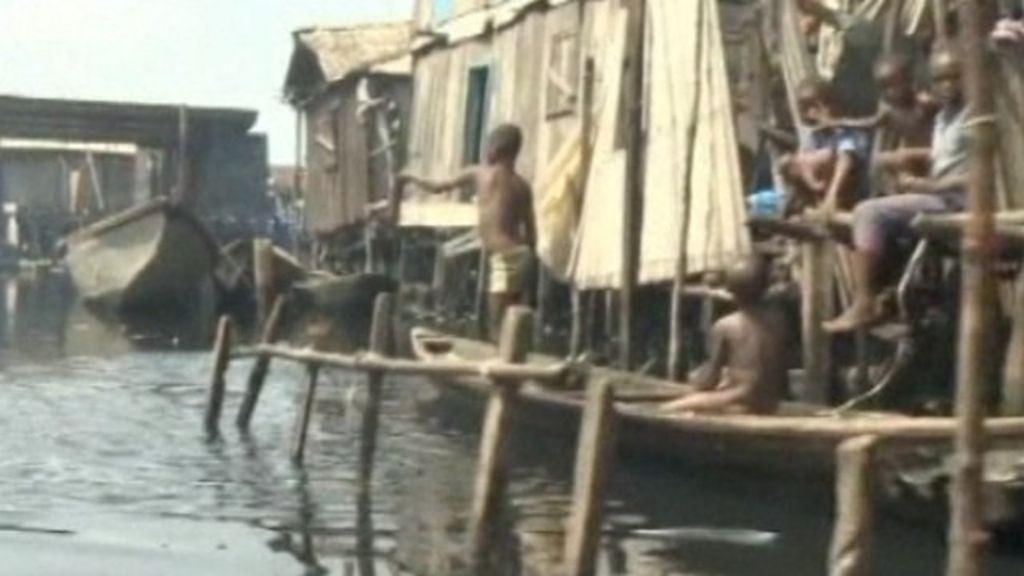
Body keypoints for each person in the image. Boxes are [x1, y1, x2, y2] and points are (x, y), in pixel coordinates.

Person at [824, 47, 968, 333]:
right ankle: (888, 295)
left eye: (954, 78)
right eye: (940, 79)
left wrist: (930, 185)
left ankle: (864, 303)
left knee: (867, 213)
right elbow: (946, 156)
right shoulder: (945, 116)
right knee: (876, 219)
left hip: (958, 201)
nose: (947, 85)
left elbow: (986, 174)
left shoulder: (974, 117)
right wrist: (910, 156)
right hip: (938, 195)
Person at [399, 124, 537, 339]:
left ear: (496, 149)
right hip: (522, 254)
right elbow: (531, 232)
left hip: (503, 257)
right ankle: (513, 358)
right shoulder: (522, 186)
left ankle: (500, 363)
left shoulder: (480, 173)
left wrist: (410, 177)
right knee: (513, 317)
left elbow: (437, 187)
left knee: (497, 320)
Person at [660, 255, 788, 416]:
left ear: (731, 292)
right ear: (766, 288)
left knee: (669, 408)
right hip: (770, 403)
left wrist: (696, 380)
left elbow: (710, 379)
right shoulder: (779, 321)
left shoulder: (726, 325)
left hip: (742, 400)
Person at [779, 78, 871, 215]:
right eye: (807, 108)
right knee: (788, 162)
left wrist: (832, 124)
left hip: (850, 184)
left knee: (831, 155)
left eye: (818, 106)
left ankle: (831, 201)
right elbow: (802, 159)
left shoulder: (848, 129)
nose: (813, 113)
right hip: (820, 186)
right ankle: (807, 205)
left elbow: (848, 157)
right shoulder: (815, 137)